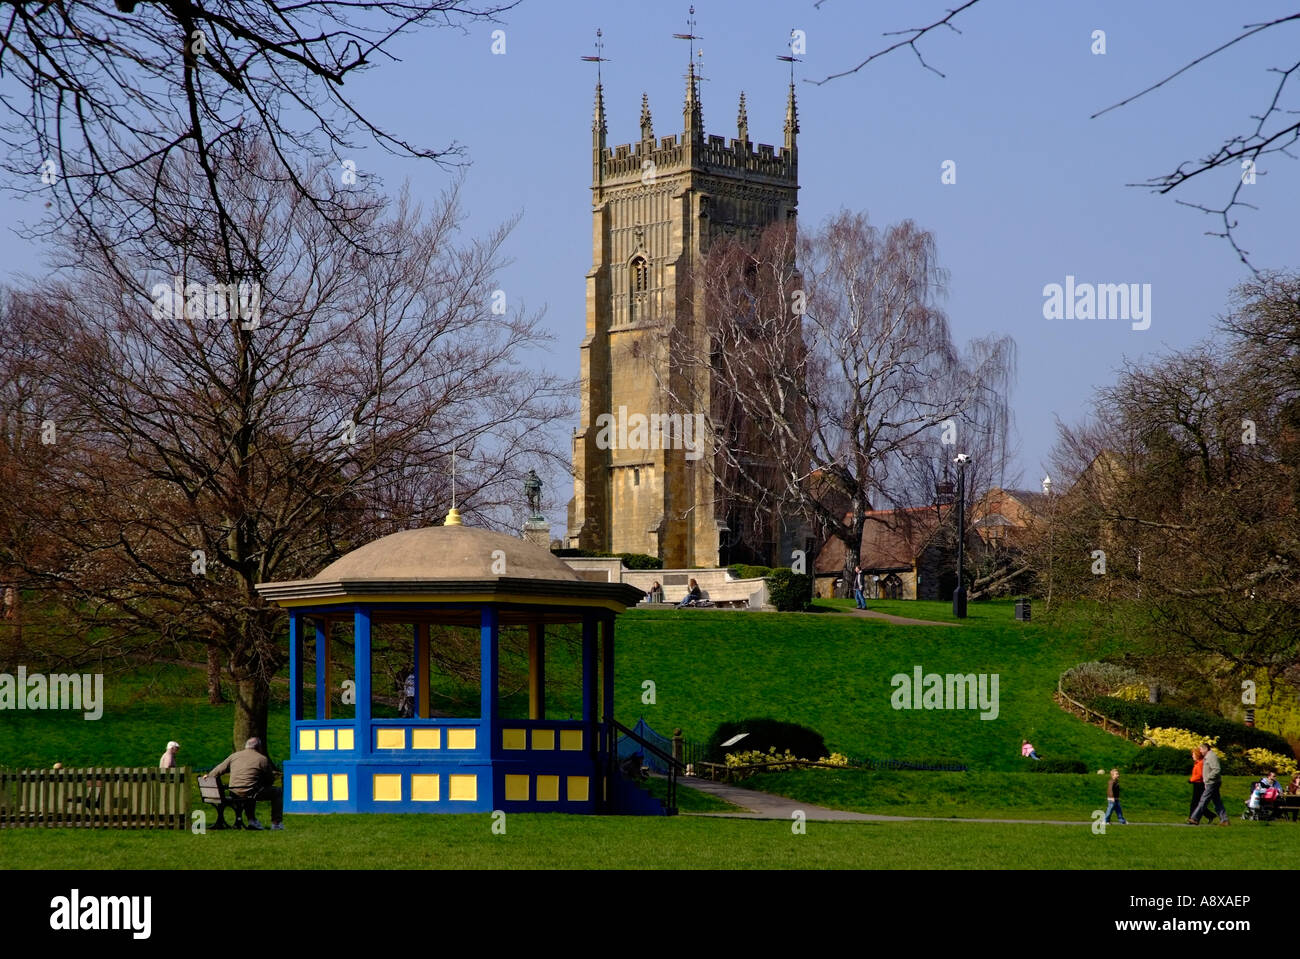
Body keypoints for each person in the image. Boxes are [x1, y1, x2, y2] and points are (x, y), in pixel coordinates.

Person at [210, 736, 283, 830]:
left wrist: (207, 776)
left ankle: (252, 820)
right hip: (251, 792)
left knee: (250, 790)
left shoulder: (234, 756)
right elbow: (270, 780)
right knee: (277, 791)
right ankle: (276, 823)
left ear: (246, 746)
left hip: (234, 792)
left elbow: (216, 772)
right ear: (259, 747)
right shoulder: (262, 759)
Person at [1187, 743, 1228, 826]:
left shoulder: (1211, 757)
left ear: (1205, 749)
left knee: (1203, 800)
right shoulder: (1208, 757)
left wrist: (1208, 778)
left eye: (1201, 749)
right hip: (1211, 782)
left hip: (1212, 782)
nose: (1200, 751)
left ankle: (1195, 818)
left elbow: (1216, 769)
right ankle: (1224, 820)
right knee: (1217, 802)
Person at [1188, 746, 1207, 823]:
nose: (1192, 756)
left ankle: (1192, 817)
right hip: (1197, 783)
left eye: (1193, 754)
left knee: (1195, 802)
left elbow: (1199, 775)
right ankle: (1193, 817)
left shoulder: (1199, 764)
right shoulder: (1198, 763)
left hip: (1199, 784)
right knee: (1197, 802)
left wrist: (1191, 780)